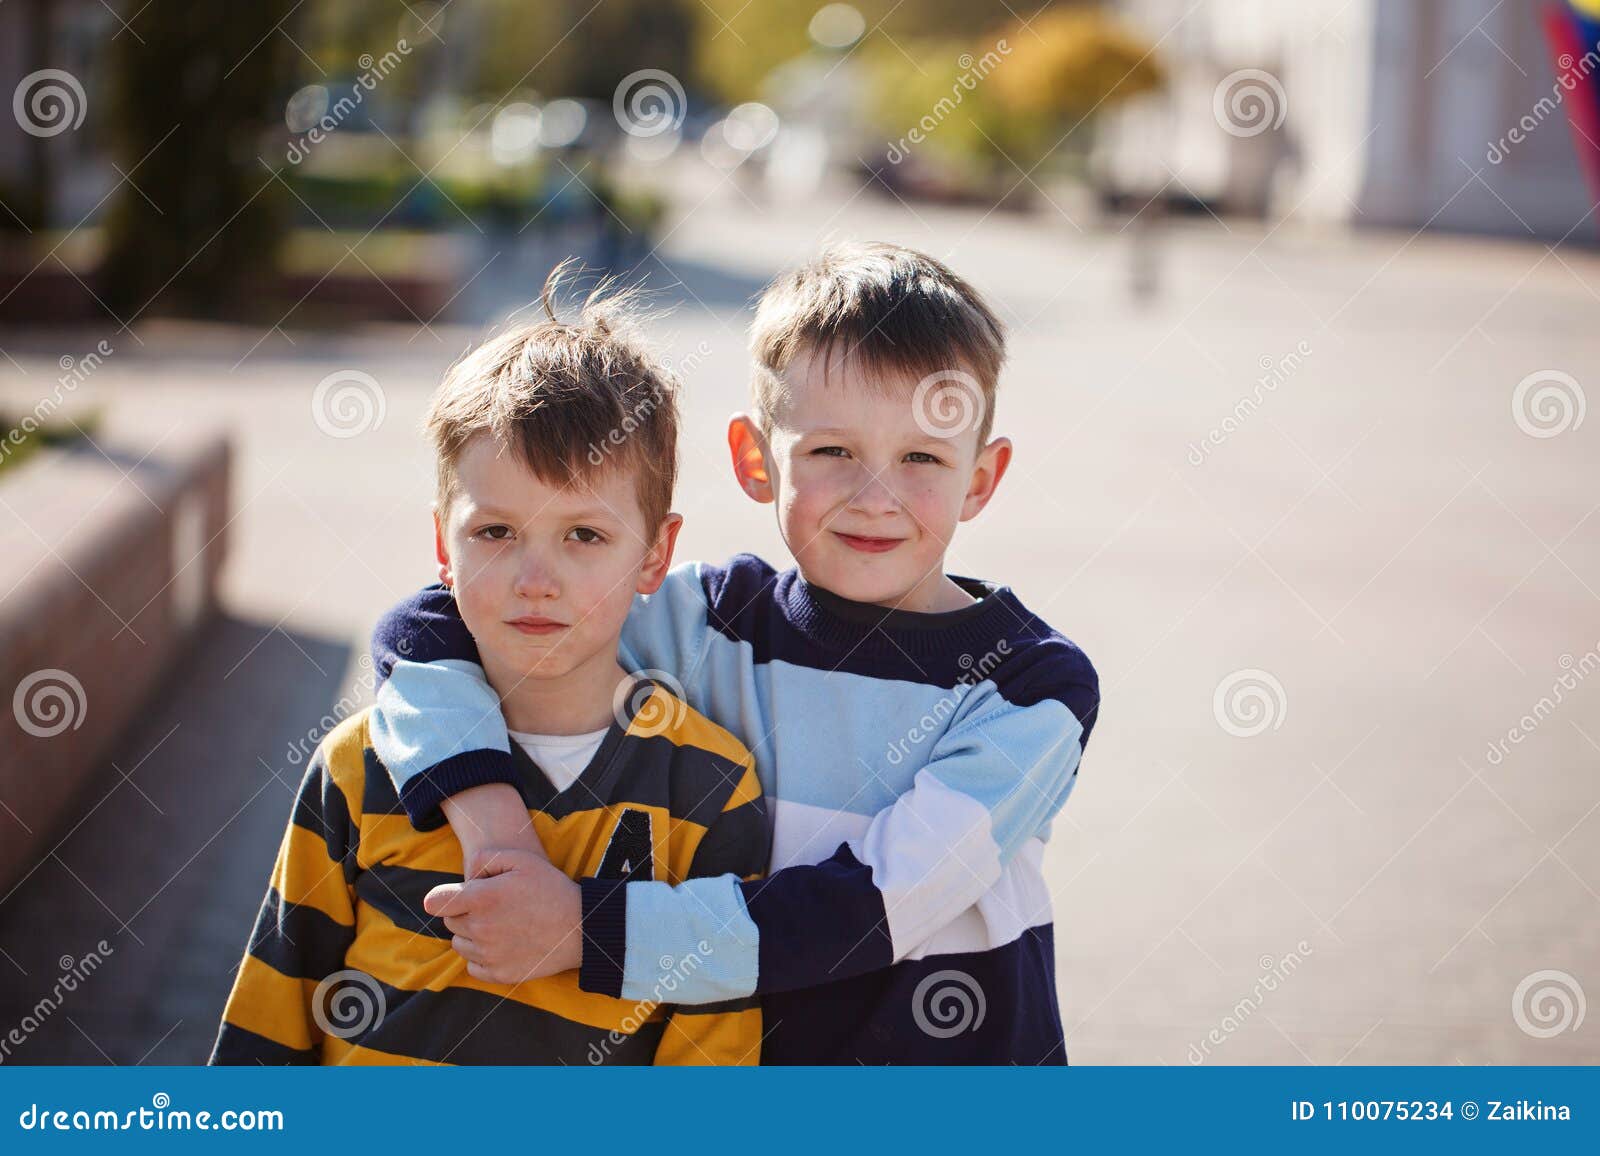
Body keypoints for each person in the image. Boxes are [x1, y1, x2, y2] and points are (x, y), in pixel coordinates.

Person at [370, 242, 1101, 1063]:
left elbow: (876, 905)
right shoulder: (705, 620)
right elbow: (431, 629)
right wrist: (496, 833)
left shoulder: (1030, 687)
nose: (875, 497)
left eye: (922, 458)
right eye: (832, 451)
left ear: (980, 478)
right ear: (756, 460)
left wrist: (583, 927)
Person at [211, 272, 767, 1065]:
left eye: (584, 537)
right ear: (444, 544)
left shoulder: (708, 785)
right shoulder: (360, 766)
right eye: (496, 532)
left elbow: (711, 1065)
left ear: (655, 554)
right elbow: (273, 1014)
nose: (534, 579)